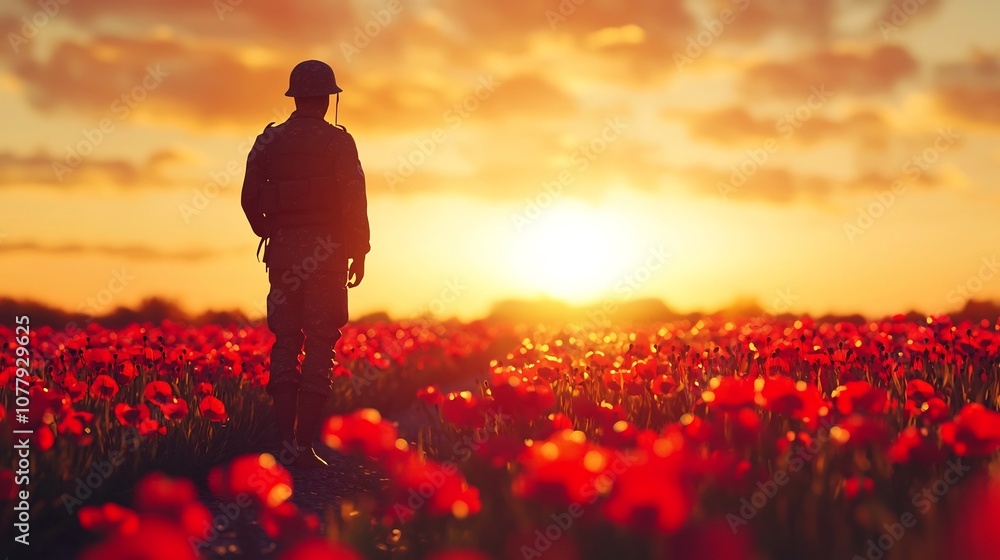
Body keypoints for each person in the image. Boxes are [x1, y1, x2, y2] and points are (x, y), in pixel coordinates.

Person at [241, 60, 370, 469]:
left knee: (286, 341)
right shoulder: (338, 142)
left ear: (295, 97)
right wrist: (359, 249)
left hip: (282, 253)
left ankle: (282, 445)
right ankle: (303, 446)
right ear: (329, 98)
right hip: (328, 254)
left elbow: (248, 198)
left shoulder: (268, 142)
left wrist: (271, 230)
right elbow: (354, 200)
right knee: (320, 342)